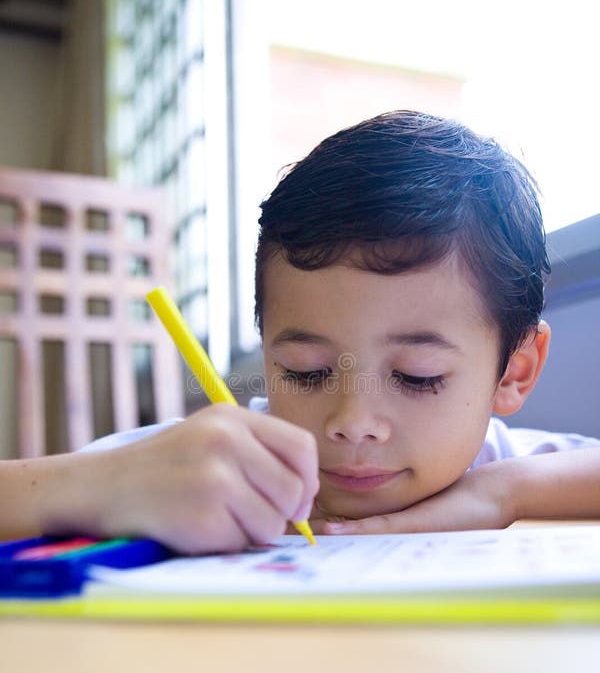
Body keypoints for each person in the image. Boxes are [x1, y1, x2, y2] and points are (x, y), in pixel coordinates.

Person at [1, 110, 598, 551]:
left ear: (513, 372)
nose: (352, 423)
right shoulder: (212, 468)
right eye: (307, 372)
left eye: (417, 378)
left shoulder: (495, 464)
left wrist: (503, 492)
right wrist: (107, 484)